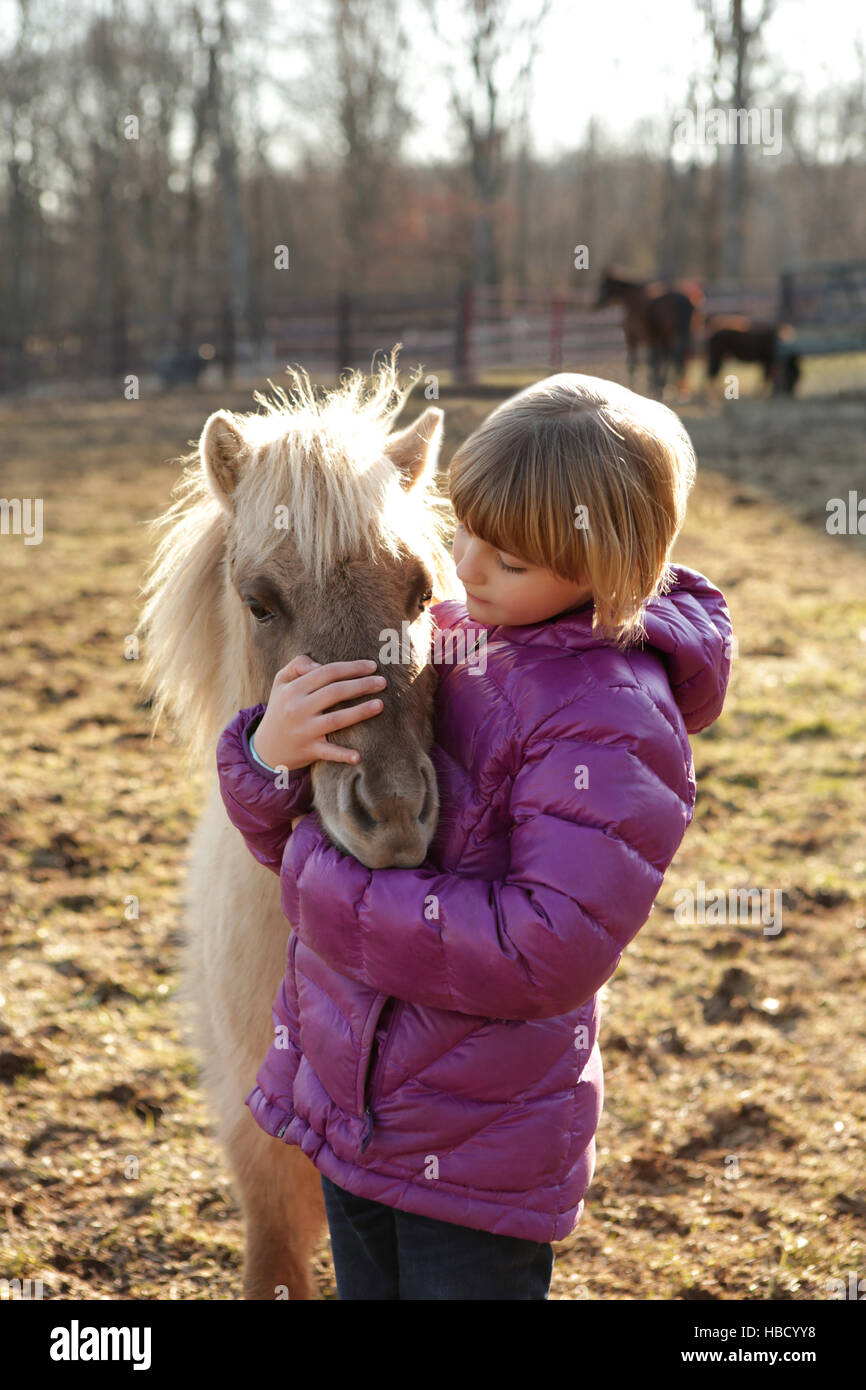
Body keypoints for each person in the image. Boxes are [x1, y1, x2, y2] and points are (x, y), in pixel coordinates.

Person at [215, 372, 733, 1300]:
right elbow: (291, 783)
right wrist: (269, 752)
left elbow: (547, 947)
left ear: (610, 571)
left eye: (513, 559)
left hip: (479, 1152)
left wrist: (332, 886)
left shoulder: (612, 718)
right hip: (357, 1111)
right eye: (468, 539)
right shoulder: (453, 632)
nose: (470, 572)